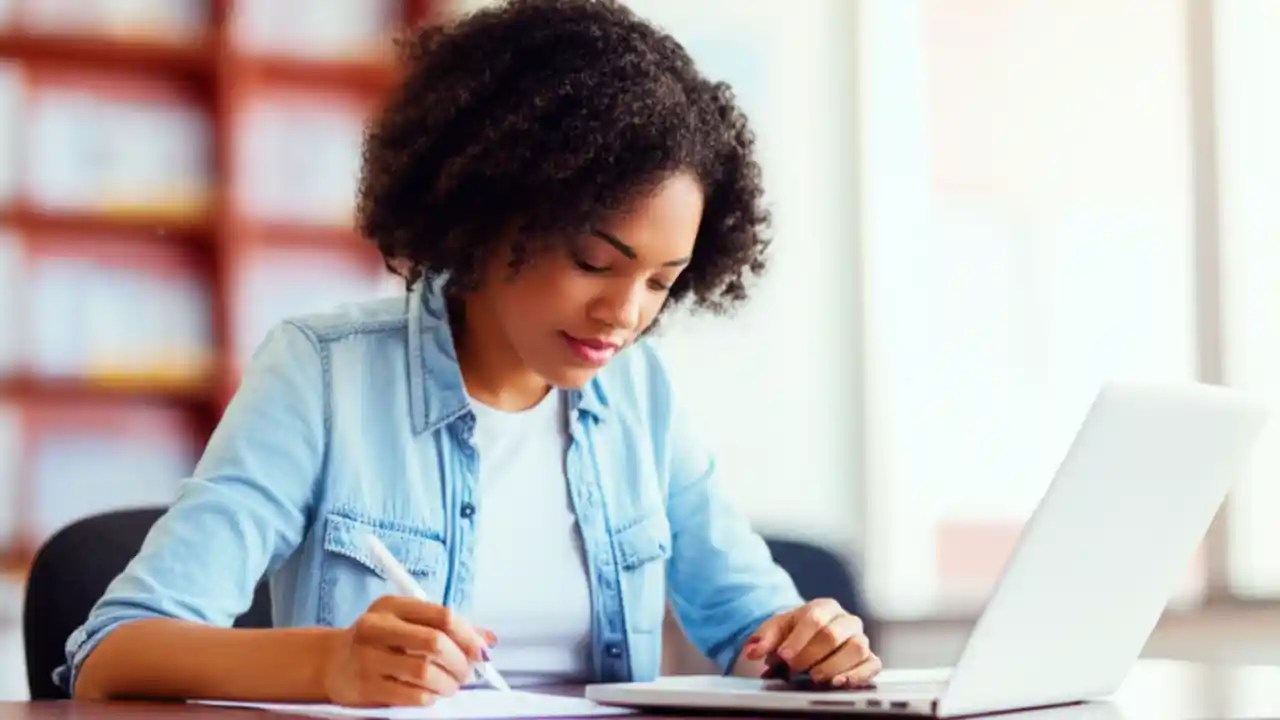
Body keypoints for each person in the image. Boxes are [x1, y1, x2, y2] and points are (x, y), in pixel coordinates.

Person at [61, 0, 879, 706]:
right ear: (493, 217)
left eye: (662, 282)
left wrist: (810, 642)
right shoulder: (323, 376)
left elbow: (757, 630)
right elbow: (113, 654)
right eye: (595, 263)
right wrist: (329, 662)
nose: (624, 314)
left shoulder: (641, 397)